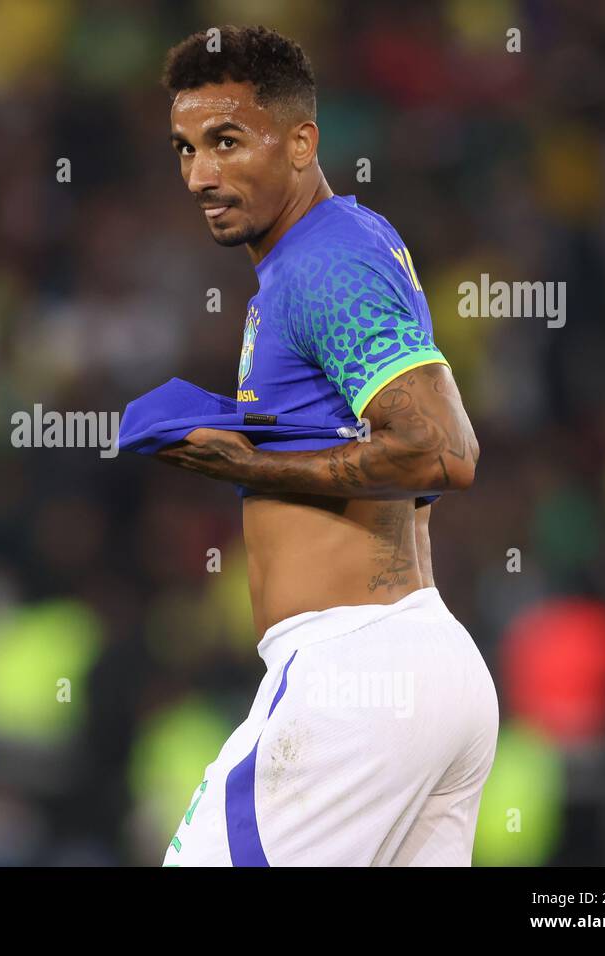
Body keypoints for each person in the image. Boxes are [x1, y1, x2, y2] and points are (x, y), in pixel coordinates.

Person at [150, 25, 498, 866]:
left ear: (302, 140)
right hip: (416, 666)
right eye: (186, 148)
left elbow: (442, 450)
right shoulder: (330, 253)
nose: (201, 175)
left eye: (227, 142)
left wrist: (249, 465)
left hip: (354, 673)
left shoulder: (325, 260)